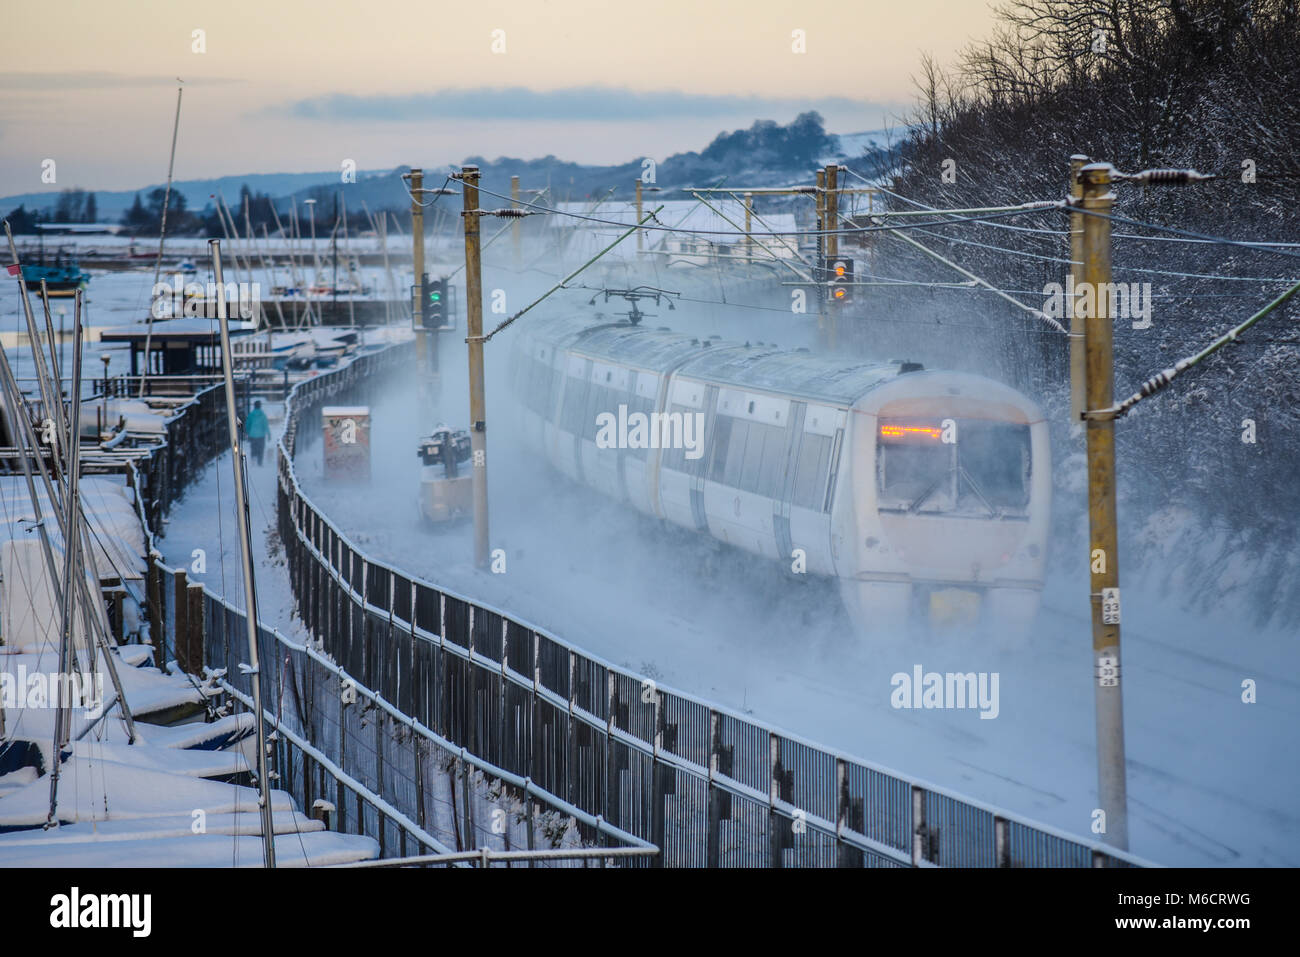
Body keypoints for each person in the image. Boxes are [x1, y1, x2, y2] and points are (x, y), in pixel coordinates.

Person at [244, 399, 269, 466]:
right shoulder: (263, 415)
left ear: (254, 406)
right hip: (261, 435)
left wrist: (247, 432)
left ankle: (253, 460)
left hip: (252, 434)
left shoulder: (251, 415)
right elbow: (265, 425)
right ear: (260, 406)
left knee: (253, 447)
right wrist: (269, 434)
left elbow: (247, 424)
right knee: (261, 448)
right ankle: (259, 462)